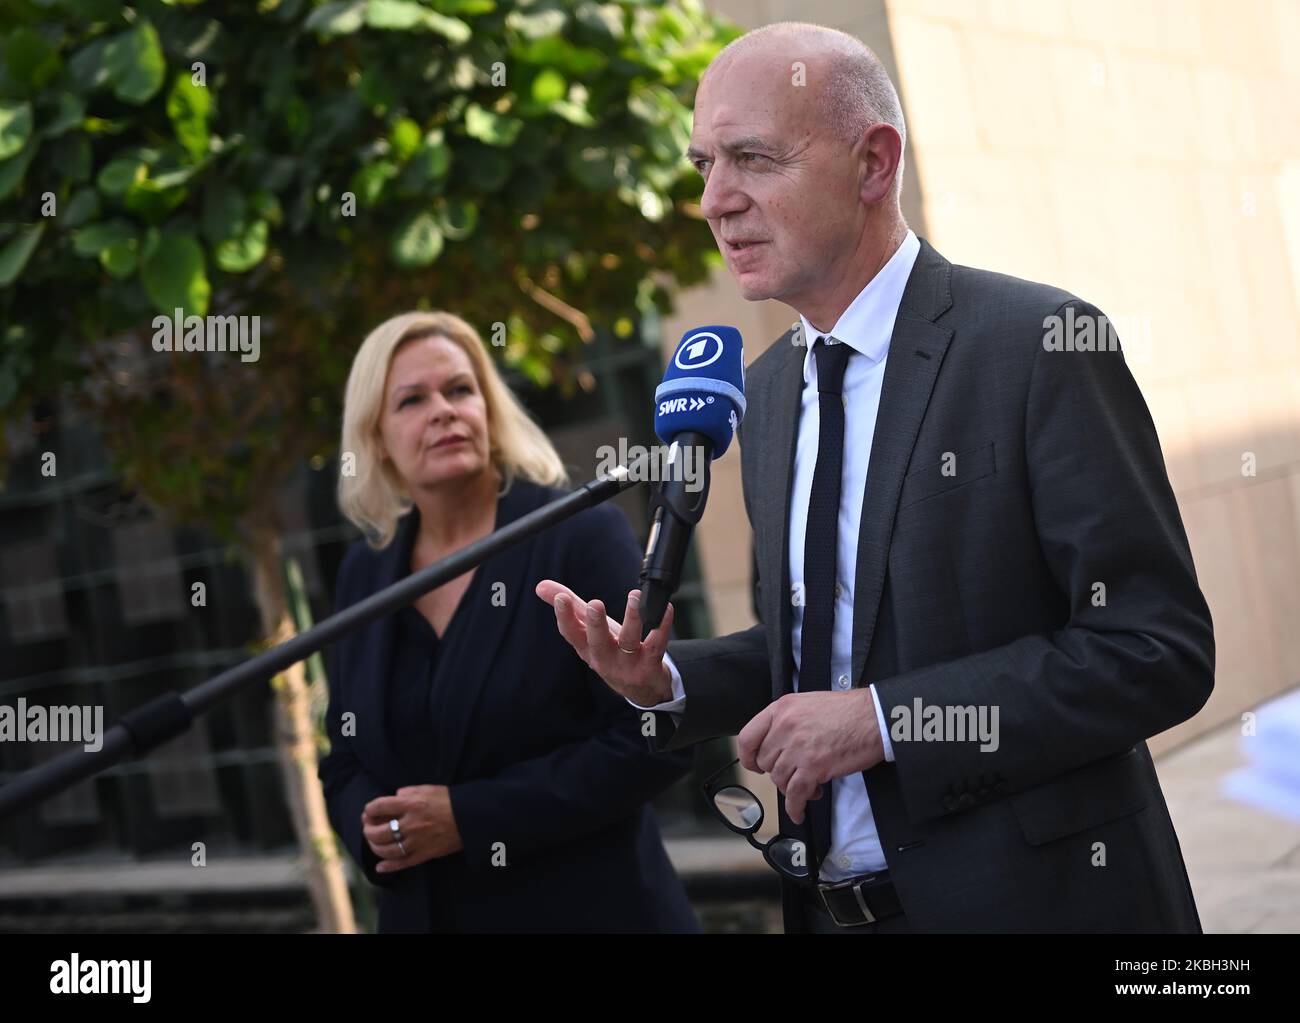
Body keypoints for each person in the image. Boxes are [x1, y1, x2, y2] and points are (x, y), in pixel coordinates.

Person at [536, 22, 1214, 934]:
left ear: (873, 163)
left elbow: (1155, 649)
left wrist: (889, 721)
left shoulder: (1036, 345)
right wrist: (669, 684)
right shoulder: (767, 391)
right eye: (703, 164)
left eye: (752, 158)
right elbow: (820, 646)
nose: (714, 200)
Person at [320, 310, 699, 933]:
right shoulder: (365, 572)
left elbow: (655, 737)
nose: (443, 410)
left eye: (460, 389)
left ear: (490, 411)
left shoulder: (577, 534)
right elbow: (344, 755)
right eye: (412, 400)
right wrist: (378, 830)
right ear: (375, 438)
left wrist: (470, 819)